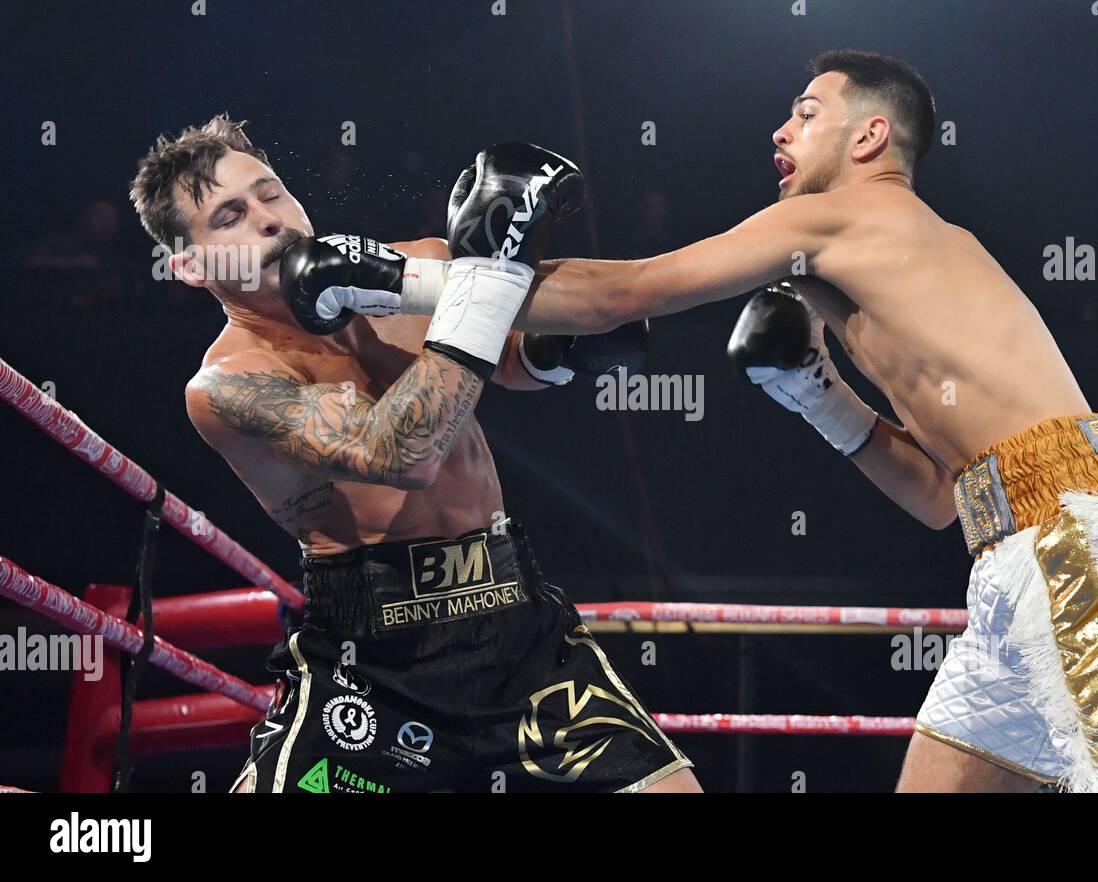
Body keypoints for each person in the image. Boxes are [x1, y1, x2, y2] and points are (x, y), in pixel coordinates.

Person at [502, 50, 1098, 793]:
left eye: (807, 114)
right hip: (1016, 559)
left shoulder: (839, 216)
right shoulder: (909, 254)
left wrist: (433, 281)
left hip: (1085, 537)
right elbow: (939, 499)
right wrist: (821, 393)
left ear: (870, 137)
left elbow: (625, 293)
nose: (780, 133)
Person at [129, 115, 697, 793]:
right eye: (230, 215)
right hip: (372, 660)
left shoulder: (410, 265)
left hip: (518, 626)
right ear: (191, 264)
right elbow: (400, 452)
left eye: (271, 192)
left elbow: (524, 353)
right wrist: (484, 277)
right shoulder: (227, 385)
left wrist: (564, 343)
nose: (269, 219)